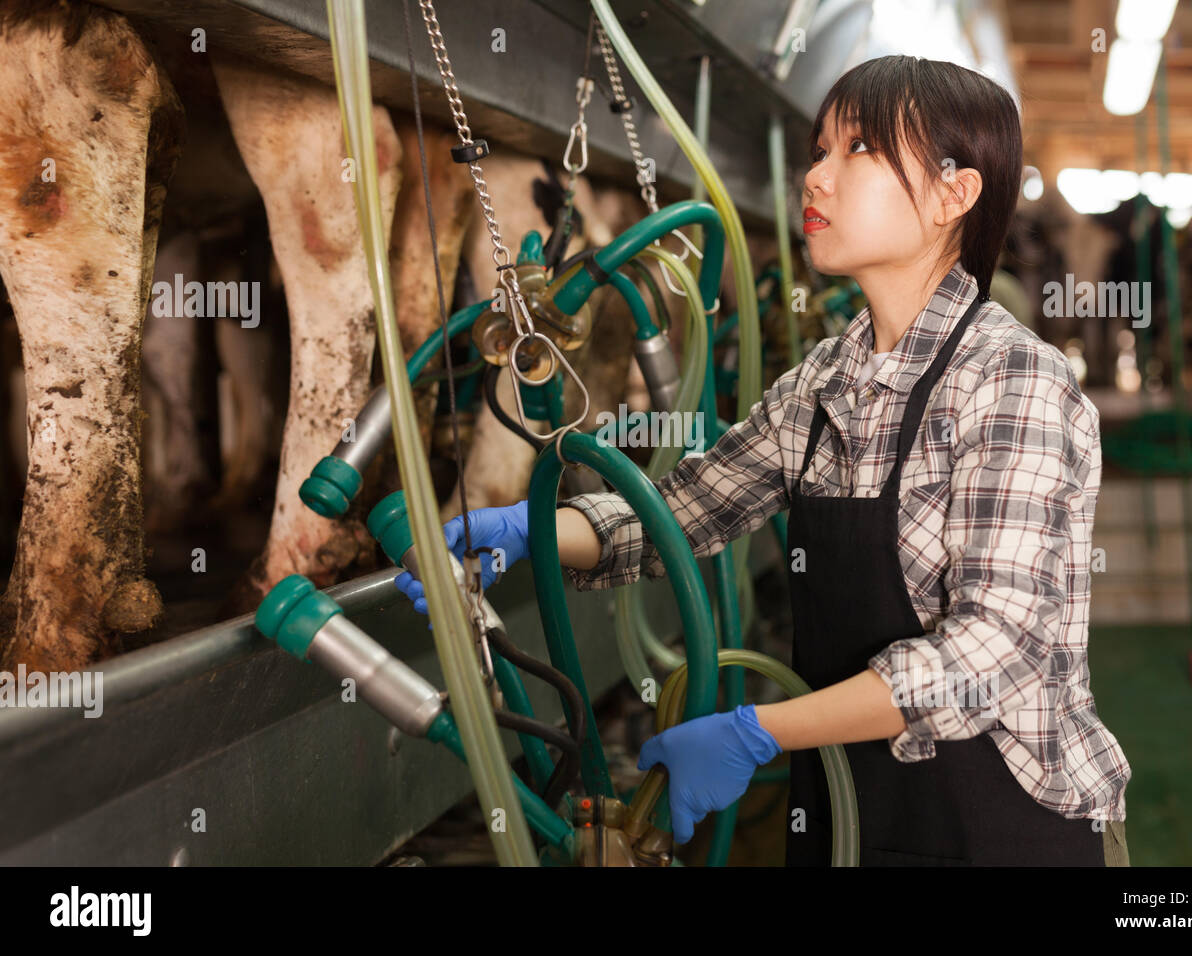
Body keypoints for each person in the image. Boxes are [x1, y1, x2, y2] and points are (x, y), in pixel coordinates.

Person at [398, 54, 1131, 866]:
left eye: (860, 151)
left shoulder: (1012, 378)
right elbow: (678, 515)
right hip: (847, 808)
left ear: (955, 196)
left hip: (999, 826)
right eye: (820, 150)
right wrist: (525, 529)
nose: (816, 178)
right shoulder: (825, 378)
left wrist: (758, 731)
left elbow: (992, 650)